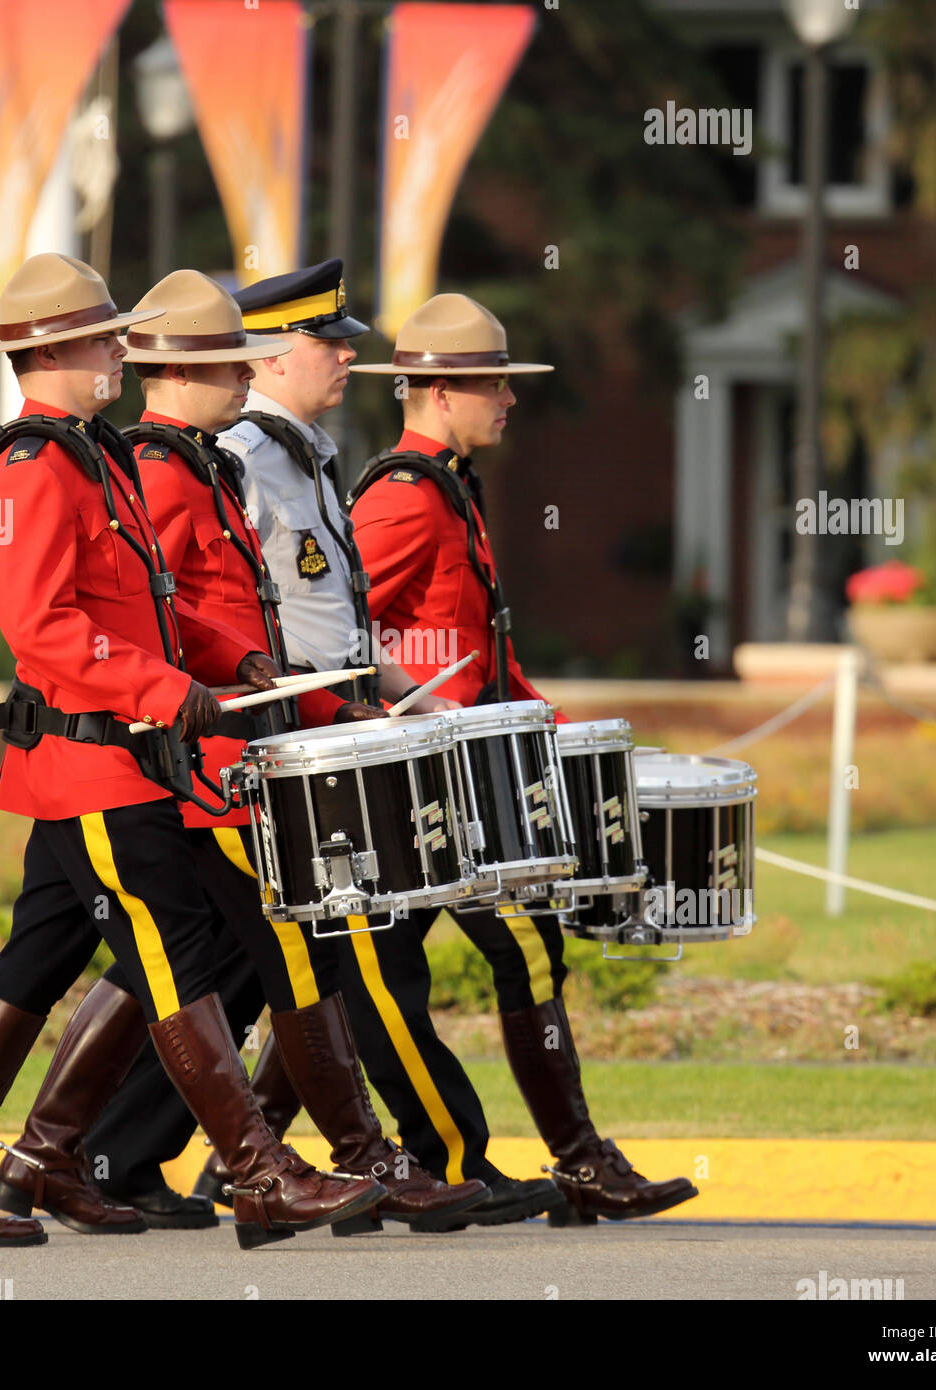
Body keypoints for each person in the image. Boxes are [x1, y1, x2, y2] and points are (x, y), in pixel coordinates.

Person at [0, 253, 384, 1252]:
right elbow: (43, 631)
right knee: (172, 956)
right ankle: (258, 1170)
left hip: (115, 760)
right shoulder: (30, 464)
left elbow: (154, 606)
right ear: (52, 349)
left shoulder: (91, 455)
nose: (121, 349)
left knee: (38, 957)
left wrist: (228, 658)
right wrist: (169, 691)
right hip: (94, 762)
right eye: (105, 336)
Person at [27, 268, 482, 1232]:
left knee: (133, 962)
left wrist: (280, 675)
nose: (247, 375)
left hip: (223, 738)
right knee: (253, 946)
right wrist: (209, 692)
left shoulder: (201, 459)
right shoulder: (152, 462)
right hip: (182, 749)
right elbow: (136, 613)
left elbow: (214, 604)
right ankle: (323, 1163)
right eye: (233, 358)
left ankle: (48, 1158)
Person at [190, 264, 565, 1230]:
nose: (354, 355)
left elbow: (345, 622)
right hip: (285, 748)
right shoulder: (236, 456)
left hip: (346, 740)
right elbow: (233, 615)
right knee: (274, 961)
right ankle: (401, 1159)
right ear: (272, 353)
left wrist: (412, 706)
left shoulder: (304, 454)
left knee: (261, 964)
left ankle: (132, 1157)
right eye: (332, 342)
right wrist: (311, 711)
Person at [345, 293, 699, 1225]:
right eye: (493, 383)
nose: (509, 399)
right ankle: (580, 1163)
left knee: (369, 970)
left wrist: (555, 725)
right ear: (437, 390)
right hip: (441, 782)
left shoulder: (452, 484)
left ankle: (248, 1147)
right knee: (523, 955)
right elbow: (339, 637)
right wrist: (422, 716)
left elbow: (478, 650)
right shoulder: (404, 497)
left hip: (473, 769)